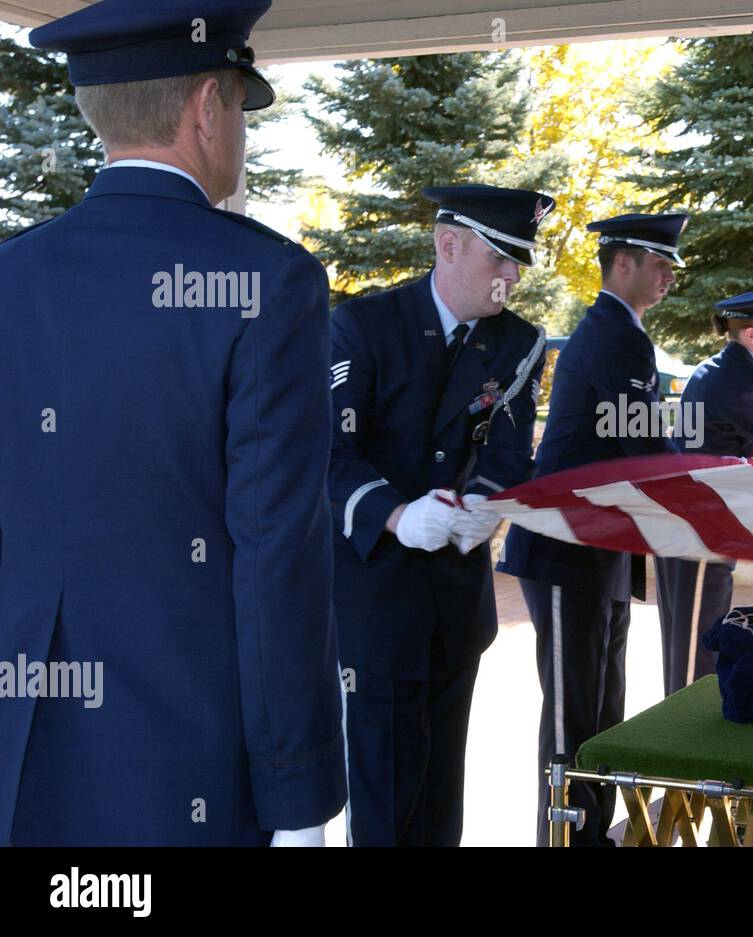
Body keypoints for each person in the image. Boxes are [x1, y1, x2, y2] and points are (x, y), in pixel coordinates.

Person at [3, 0, 345, 845]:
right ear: (205, 107)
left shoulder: (12, 274)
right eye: (236, 103)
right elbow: (277, 556)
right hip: (183, 765)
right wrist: (299, 797)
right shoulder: (270, 280)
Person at [330, 184, 551, 845]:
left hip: (457, 605)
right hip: (377, 602)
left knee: (439, 801)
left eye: (519, 262)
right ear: (447, 245)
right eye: (500, 258)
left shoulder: (517, 343)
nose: (512, 276)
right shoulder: (364, 326)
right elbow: (325, 454)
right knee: (384, 800)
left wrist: (487, 501)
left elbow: (510, 448)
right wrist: (396, 516)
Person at [498, 211, 688, 846]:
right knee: (573, 713)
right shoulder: (615, 336)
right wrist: (718, 471)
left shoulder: (622, 334)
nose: (668, 276)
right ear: (623, 262)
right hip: (565, 548)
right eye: (659, 264)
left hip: (597, 548)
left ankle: (591, 832)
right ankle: (564, 838)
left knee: (603, 706)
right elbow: (641, 444)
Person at [654, 287, 753, 696]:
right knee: (700, 649)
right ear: (751, 334)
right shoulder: (750, 382)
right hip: (704, 526)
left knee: (681, 639)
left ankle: (680, 732)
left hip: (679, 521)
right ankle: (686, 744)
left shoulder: (708, 369)